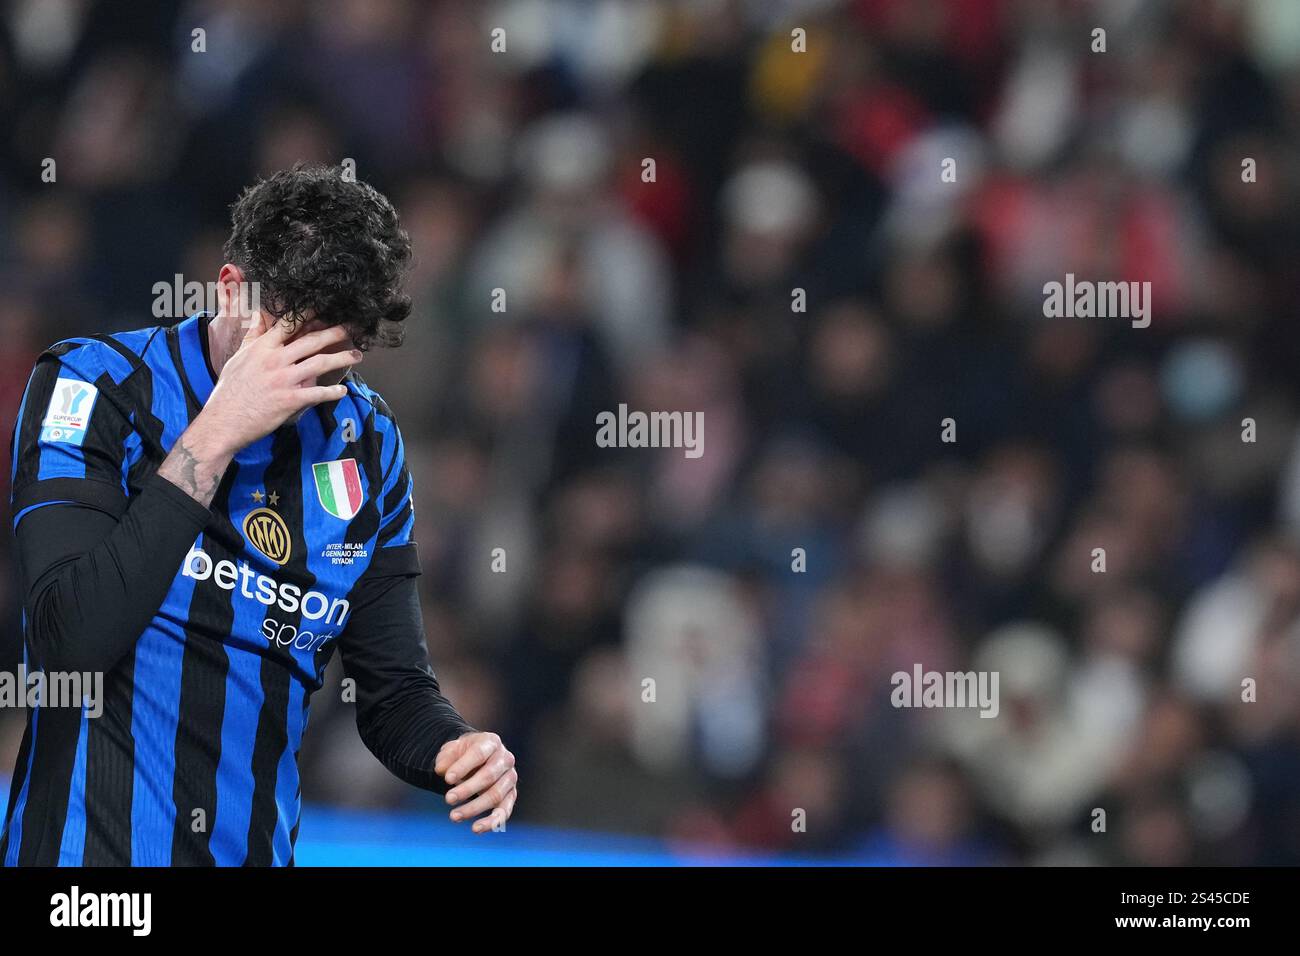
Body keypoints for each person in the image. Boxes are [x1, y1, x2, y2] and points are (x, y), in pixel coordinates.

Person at [2, 164, 517, 866]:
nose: (306, 384)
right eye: (289, 346)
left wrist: (453, 747)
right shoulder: (96, 386)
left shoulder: (365, 443)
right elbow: (65, 646)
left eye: (334, 361)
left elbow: (393, 691)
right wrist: (215, 436)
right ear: (230, 291)